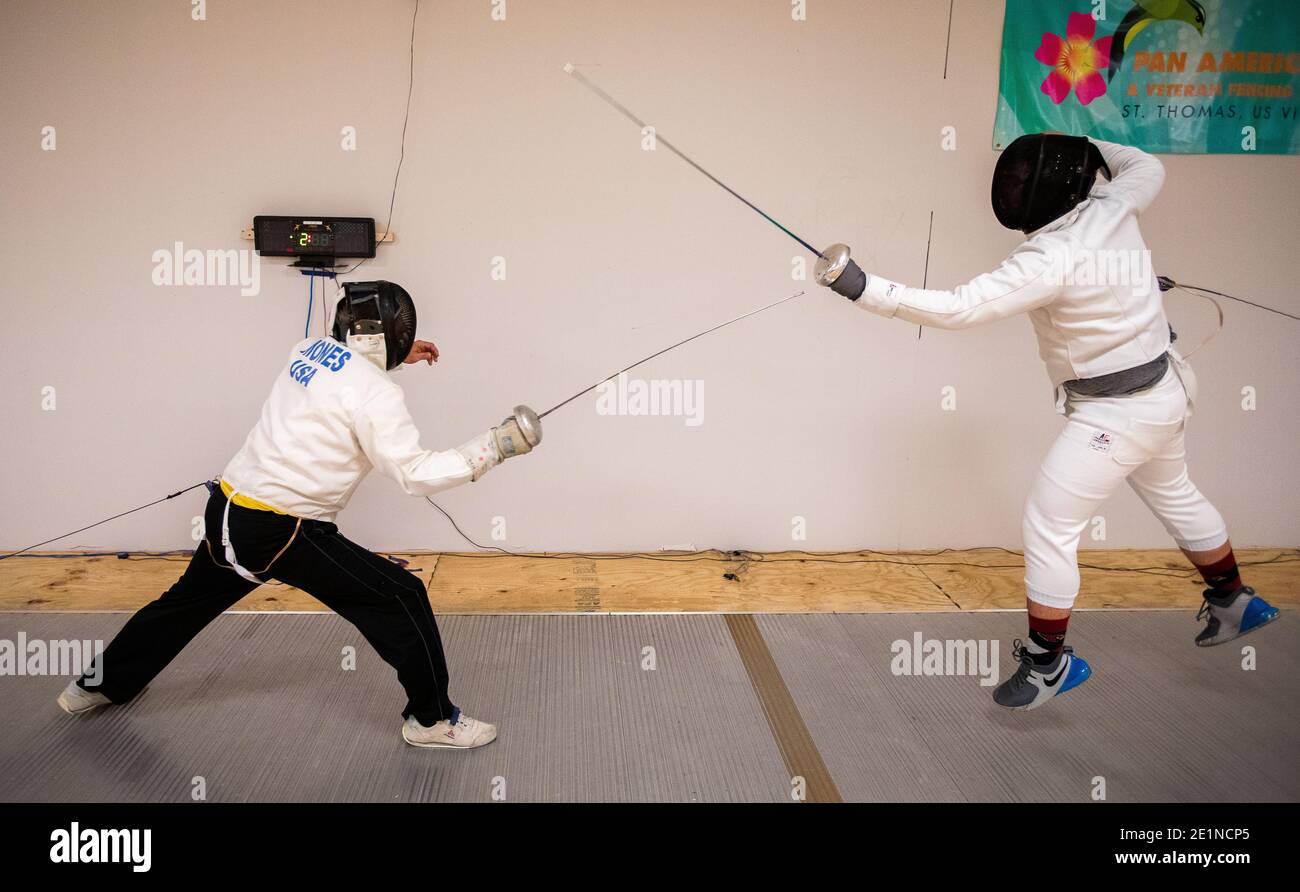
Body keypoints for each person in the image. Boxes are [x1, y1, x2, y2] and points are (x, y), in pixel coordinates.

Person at [814, 133, 1279, 710]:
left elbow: (960, 308)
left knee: (1048, 524)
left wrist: (861, 287)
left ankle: (1047, 665)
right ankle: (1235, 601)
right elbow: (1145, 163)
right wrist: (1086, 144)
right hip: (1167, 390)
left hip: (1118, 413)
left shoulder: (1050, 258)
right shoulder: (1115, 203)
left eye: (1020, 181)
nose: (1011, 188)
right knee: (1177, 493)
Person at [58, 280, 542, 747]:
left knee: (184, 603)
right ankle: (432, 721)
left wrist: (393, 357)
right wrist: (496, 447)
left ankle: (96, 684)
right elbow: (414, 474)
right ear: (383, 336)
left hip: (226, 506)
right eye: (400, 334)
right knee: (402, 595)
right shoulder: (378, 394)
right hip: (281, 531)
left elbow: (346, 380)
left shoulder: (307, 349)